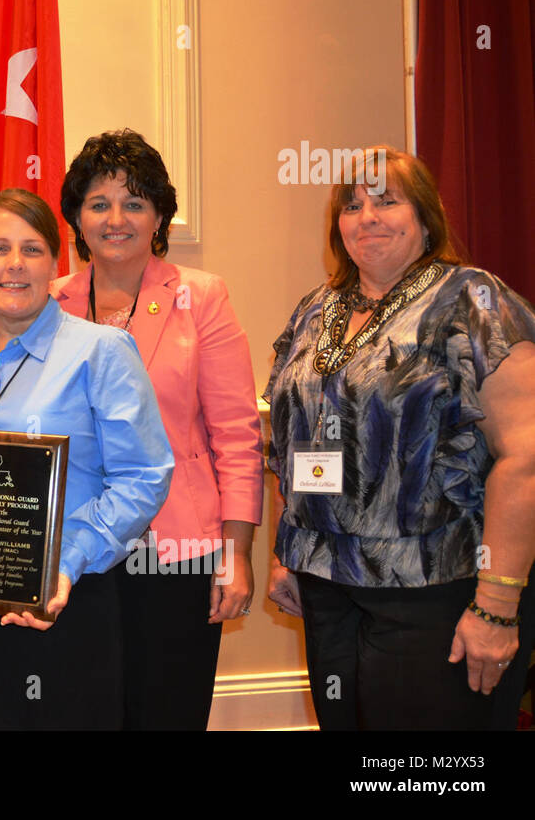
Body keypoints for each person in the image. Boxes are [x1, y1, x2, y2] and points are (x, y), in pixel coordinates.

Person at [265, 146, 535, 730]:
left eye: (387, 201)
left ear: (426, 216)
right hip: (327, 585)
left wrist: (499, 605)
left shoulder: (473, 300)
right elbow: (287, 440)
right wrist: (290, 554)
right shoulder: (317, 308)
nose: (367, 216)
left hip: (435, 589)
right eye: (352, 204)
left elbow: (527, 459)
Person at [0, 188, 174, 729]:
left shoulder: (102, 352)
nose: (14, 265)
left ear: (57, 264)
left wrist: (67, 560)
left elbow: (142, 478)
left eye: (32, 250)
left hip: (62, 608)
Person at [50, 129, 262, 729]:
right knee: (82, 710)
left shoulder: (203, 297)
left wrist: (237, 552)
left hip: (177, 551)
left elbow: (238, 436)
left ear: (159, 215)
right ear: (77, 217)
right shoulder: (46, 300)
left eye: (134, 203)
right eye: (99, 203)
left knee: (166, 709)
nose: (116, 219)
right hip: (75, 547)